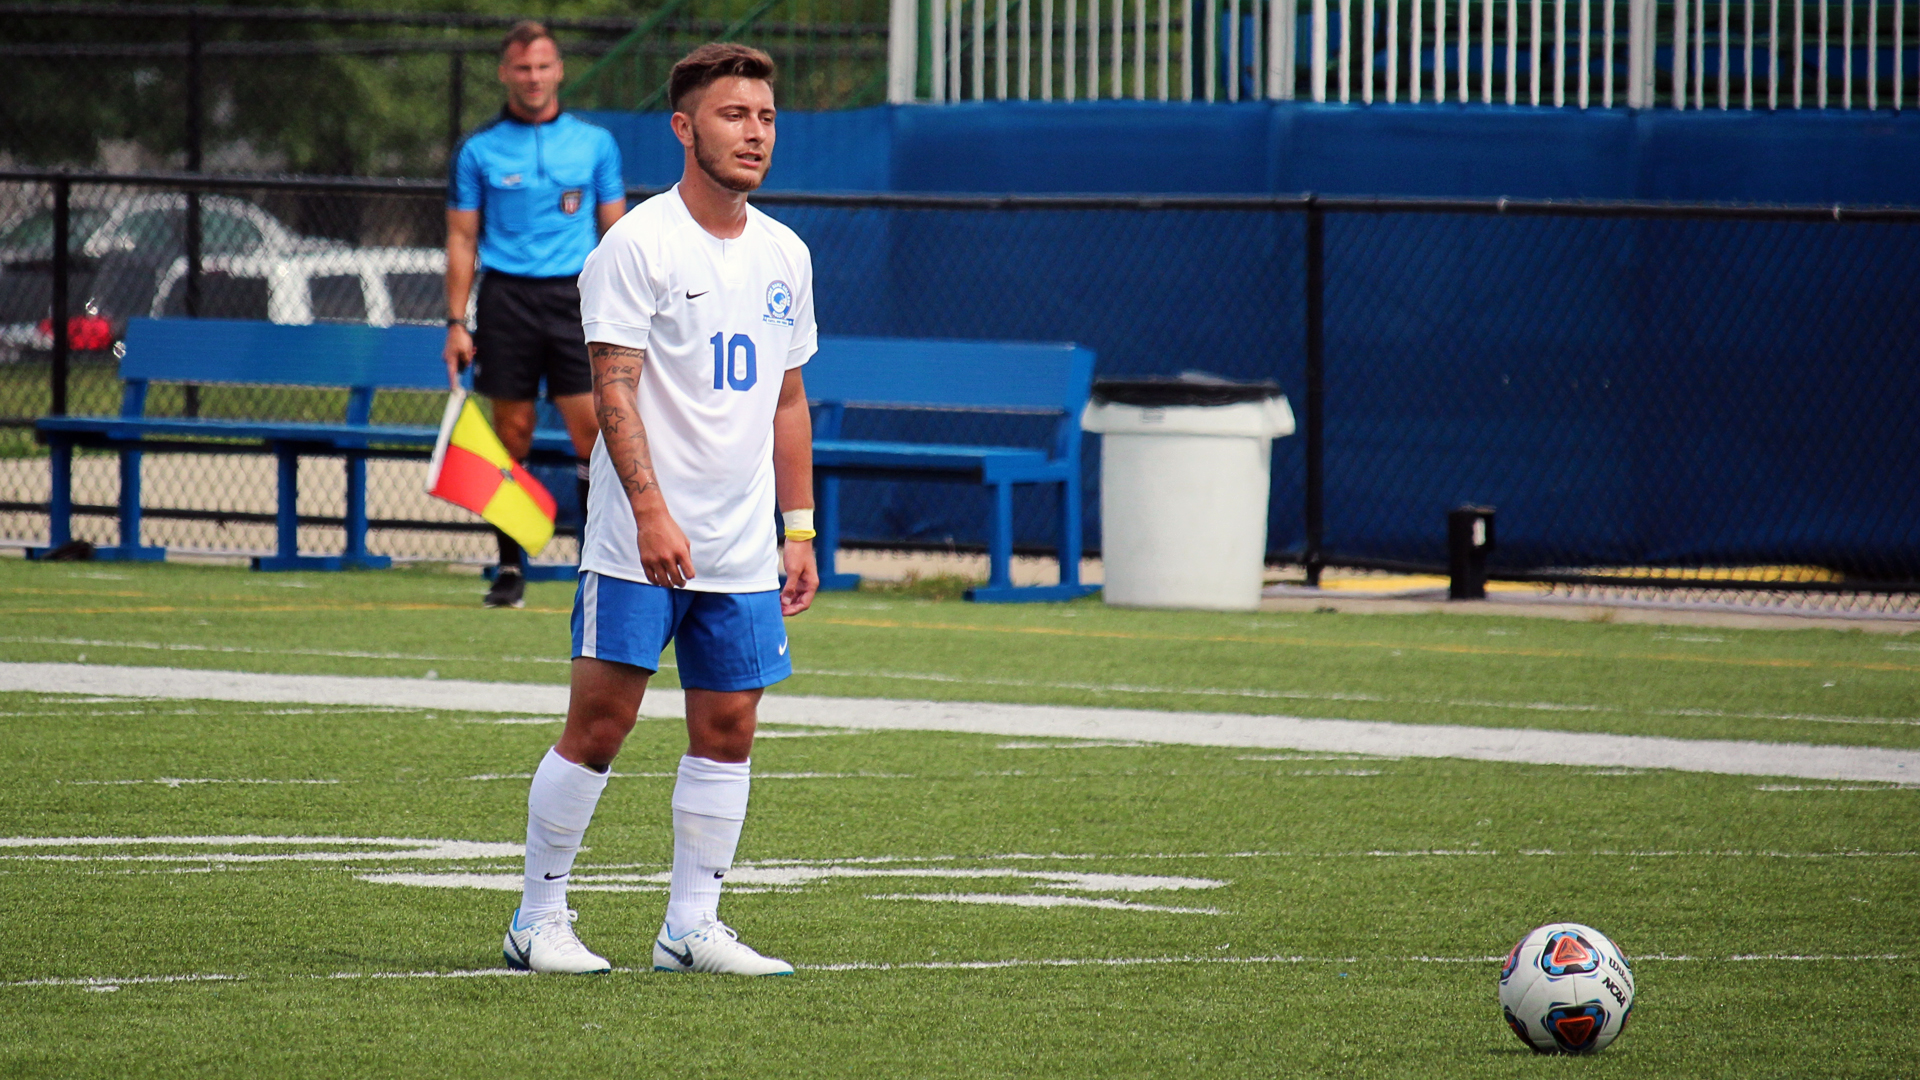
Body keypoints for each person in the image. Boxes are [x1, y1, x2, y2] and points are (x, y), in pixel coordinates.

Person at [500, 42, 819, 977]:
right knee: (601, 727)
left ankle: (690, 927)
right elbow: (613, 390)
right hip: (637, 542)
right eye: (733, 115)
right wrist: (648, 512)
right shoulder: (636, 245)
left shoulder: (786, 253)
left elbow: (788, 400)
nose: (754, 133)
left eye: (765, 117)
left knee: (729, 730)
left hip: (742, 546)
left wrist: (798, 529)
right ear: (684, 127)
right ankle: (536, 920)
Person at [445, 20, 627, 608]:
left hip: (576, 299)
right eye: (522, 67)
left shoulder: (595, 144)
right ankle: (509, 567)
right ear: (505, 73)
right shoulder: (477, 150)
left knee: (593, 431)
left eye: (543, 66)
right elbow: (461, 239)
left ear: (560, 70)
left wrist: (628, 310)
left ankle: (597, 561)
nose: (533, 77)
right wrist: (456, 322)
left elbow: (616, 234)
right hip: (506, 301)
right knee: (512, 433)